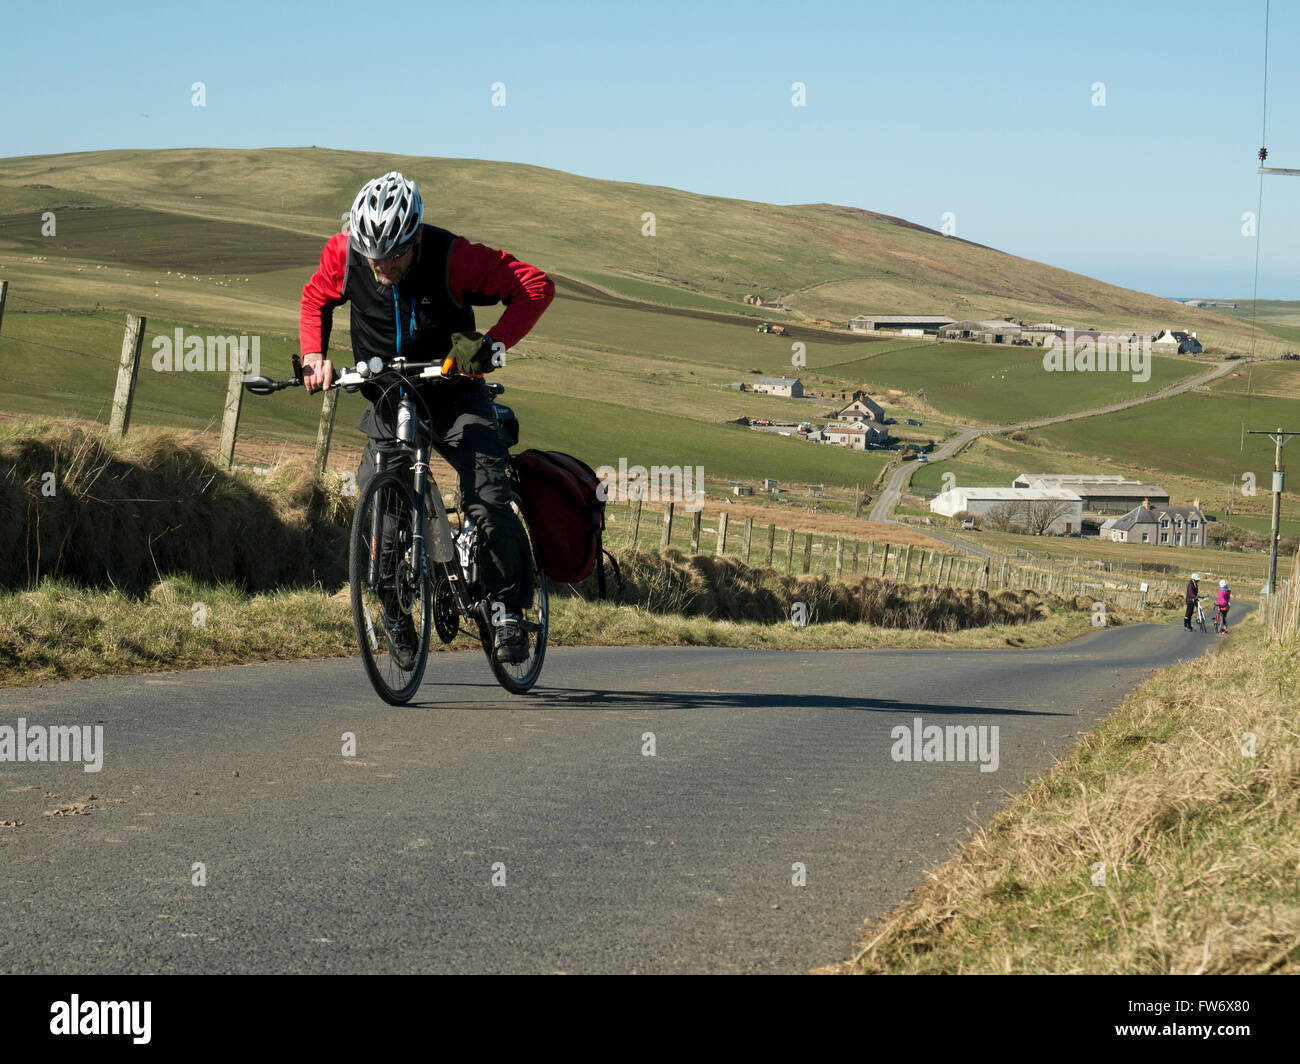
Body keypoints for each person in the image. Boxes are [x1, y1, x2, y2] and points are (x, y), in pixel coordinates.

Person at [298, 171, 554, 664]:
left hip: (456, 393)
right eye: (373, 257)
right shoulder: (345, 253)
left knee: (487, 498)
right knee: (381, 504)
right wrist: (314, 355)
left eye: (393, 256)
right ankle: (394, 610)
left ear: (415, 237)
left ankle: (505, 609)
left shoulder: (453, 257)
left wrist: (491, 346)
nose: (382, 268)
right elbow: (315, 300)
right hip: (390, 395)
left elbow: (535, 286)